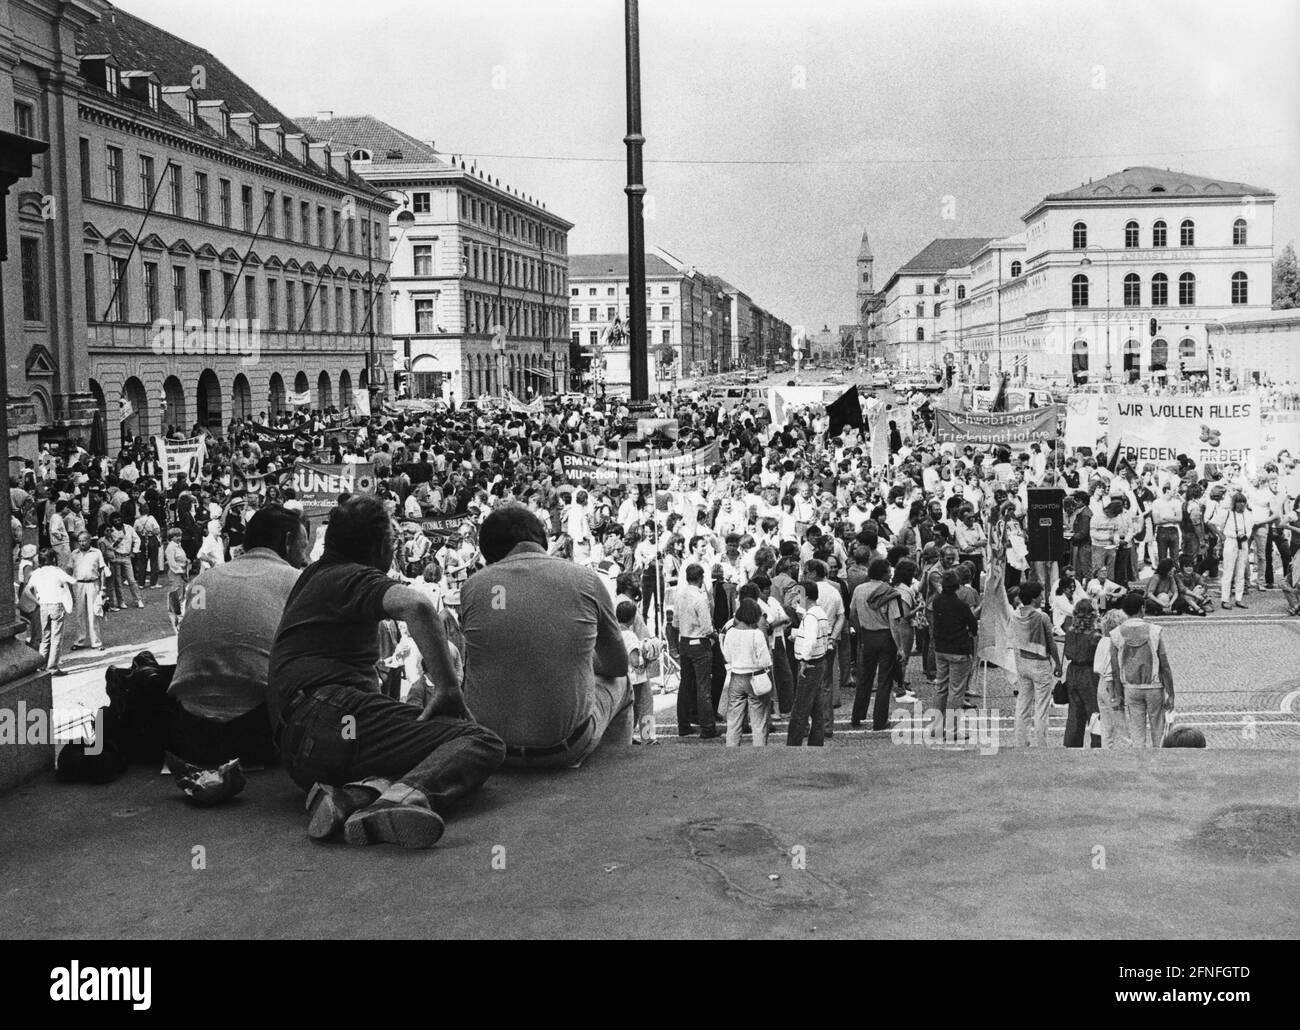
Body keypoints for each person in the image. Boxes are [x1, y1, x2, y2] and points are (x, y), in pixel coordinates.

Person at [270, 496, 505, 848]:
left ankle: (349, 798)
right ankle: (403, 799)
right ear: (381, 545)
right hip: (329, 716)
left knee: (417, 748)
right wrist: (448, 688)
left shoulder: (313, 576)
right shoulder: (351, 576)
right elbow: (418, 605)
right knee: (479, 740)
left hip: (299, 751)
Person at [460, 503, 633, 767]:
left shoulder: (473, 587)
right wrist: (579, 658)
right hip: (563, 748)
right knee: (623, 684)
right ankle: (617, 775)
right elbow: (618, 665)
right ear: (540, 539)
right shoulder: (586, 579)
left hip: (490, 749)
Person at [166, 507, 311, 768]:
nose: (305, 556)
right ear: (288, 541)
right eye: (303, 546)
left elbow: (189, 644)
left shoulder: (203, 581)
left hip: (185, 730)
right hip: (257, 734)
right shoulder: (298, 581)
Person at [1094, 590, 1176, 748]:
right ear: (1142, 608)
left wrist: (1118, 694)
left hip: (1130, 688)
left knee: (1137, 732)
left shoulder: (1116, 634)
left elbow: (1116, 668)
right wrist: (1171, 693)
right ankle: (1158, 763)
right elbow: (1164, 665)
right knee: (1157, 730)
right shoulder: (1154, 631)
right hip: (1154, 686)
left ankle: (1139, 766)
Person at [1011, 581, 1062, 748]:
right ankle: (1041, 743)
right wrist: (1058, 663)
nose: (1042, 598)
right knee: (1042, 706)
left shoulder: (1015, 614)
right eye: (1040, 595)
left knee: (1023, 703)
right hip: (1039, 663)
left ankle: (1021, 741)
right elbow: (1051, 643)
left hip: (1023, 660)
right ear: (1033, 598)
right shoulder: (1042, 617)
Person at [930, 569, 979, 737]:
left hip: (941, 648)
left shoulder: (937, 601)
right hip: (958, 649)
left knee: (941, 688)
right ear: (957, 586)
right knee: (956, 691)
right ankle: (952, 730)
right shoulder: (960, 605)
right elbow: (973, 624)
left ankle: (936, 727)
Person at [720, 598, 773, 747]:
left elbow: (727, 657)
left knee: (734, 722)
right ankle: (758, 756)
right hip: (755, 677)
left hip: (736, 677)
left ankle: (731, 752)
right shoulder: (756, 634)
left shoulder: (730, 633)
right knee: (759, 723)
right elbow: (765, 661)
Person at [674, 561, 718, 739]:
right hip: (700, 642)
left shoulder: (680, 596)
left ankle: (683, 724)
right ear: (700, 579)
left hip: (685, 640)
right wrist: (716, 636)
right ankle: (707, 727)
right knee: (703, 687)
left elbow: (675, 622)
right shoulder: (700, 598)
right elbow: (707, 628)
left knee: (685, 685)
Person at [786, 579, 830, 747]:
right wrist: (798, 634)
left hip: (809, 665)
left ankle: (793, 745)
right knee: (816, 708)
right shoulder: (818, 612)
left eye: (799, 593)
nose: (797, 596)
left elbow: (811, 639)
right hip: (819, 662)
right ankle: (816, 743)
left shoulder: (811, 616)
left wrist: (804, 659)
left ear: (806, 596)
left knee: (800, 709)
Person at [21, 548, 75, 675]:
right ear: (54, 559)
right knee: (56, 638)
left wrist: (38, 601)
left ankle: (40, 665)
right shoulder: (56, 571)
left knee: (45, 637)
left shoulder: (36, 573)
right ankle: (52, 667)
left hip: (43, 607)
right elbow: (72, 580)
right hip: (56, 605)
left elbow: (27, 590)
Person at [1061, 598, 1102, 748]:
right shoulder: (1095, 636)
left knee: (1074, 712)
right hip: (1089, 672)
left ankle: (1071, 745)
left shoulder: (1070, 633)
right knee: (1094, 711)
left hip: (1073, 671)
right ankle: (1097, 744)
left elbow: (1066, 654)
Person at [68, 532, 109, 651]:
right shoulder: (74, 554)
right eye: (79, 541)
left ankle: (96, 642)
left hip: (93, 584)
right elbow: (69, 569)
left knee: (93, 613)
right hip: (79, 584)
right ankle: (80, 641)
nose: (82, 543)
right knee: (80, 613)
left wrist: (103, 588)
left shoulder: (96, 553)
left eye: (84, 540)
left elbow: (102, 570)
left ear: (89, 540)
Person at [1213, 492, 1254, 610]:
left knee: (1241, 572)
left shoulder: (1248, 514)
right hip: (1231, 541)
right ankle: (1225, 599)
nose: (1241, 505)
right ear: (1234, 503)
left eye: (1243, 502)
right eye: (1239, 502)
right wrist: (1221, 536)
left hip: (1244, 543)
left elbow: (1251, 528)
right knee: (1228, 572)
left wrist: (1245, 536)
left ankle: (1238, 598)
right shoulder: (1227, 513)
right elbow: (1211, 523)